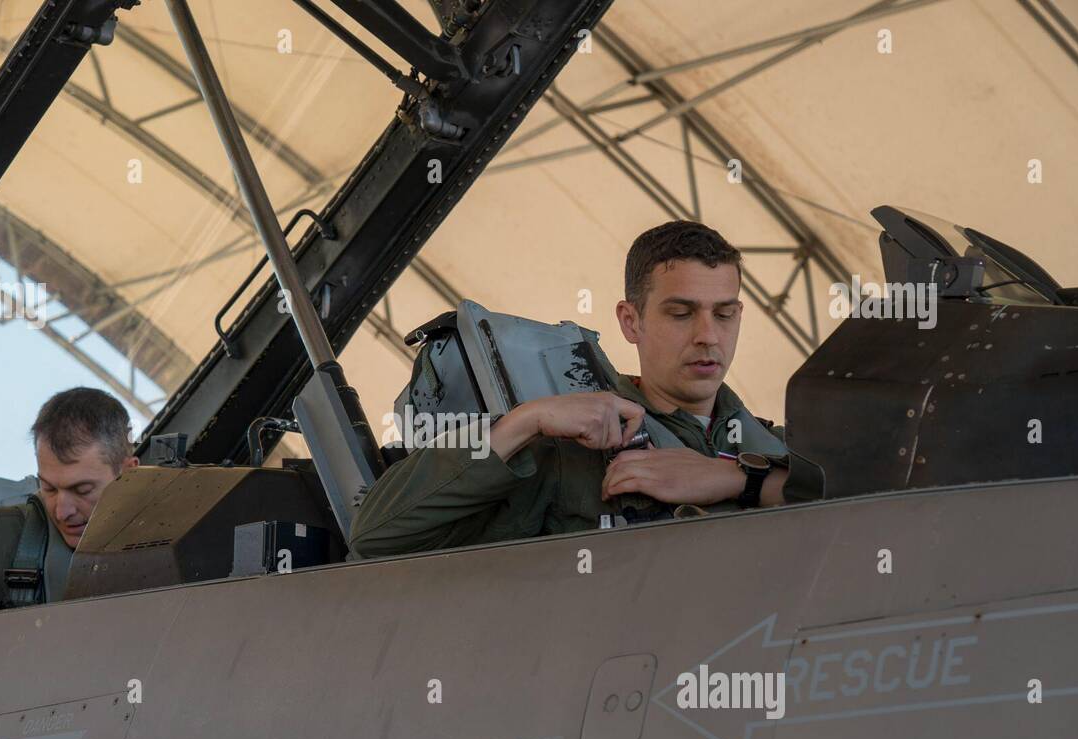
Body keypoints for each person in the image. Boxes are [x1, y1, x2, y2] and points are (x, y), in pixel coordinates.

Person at [349, 220, 822, 558]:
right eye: (680, 313)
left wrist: (744, 480)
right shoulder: (568, 452)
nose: (708, 336)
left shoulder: (787, 449)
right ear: (630, 321)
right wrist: (524, 421)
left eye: (724, 314)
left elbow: (885, 519)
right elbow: (377, 533)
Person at [0, 387, 139, 614]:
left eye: (82, 490)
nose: (62, 512)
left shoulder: (176, 547)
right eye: (49, 488)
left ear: (129, 474)